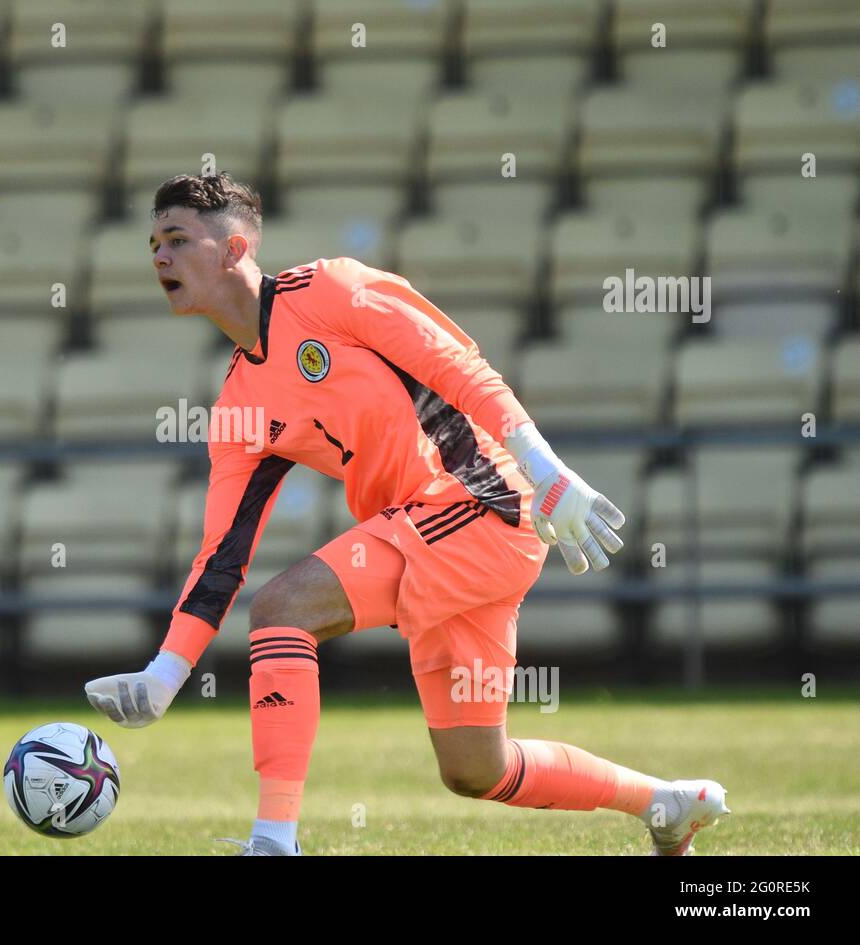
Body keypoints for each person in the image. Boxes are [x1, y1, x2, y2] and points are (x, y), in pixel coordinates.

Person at [85, 173, 728, 856]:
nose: (158, 256)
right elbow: (220, 556)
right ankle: (664, 803)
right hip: (434, 535)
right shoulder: (240, 408)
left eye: (177, 239)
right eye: (153, 242)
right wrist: (164, 674)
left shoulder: (329, 290)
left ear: (233, 247)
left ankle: (274, 840)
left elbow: (458, 367)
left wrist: (547, 471)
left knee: (281, 610)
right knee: (477, 768)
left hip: (481, 500)